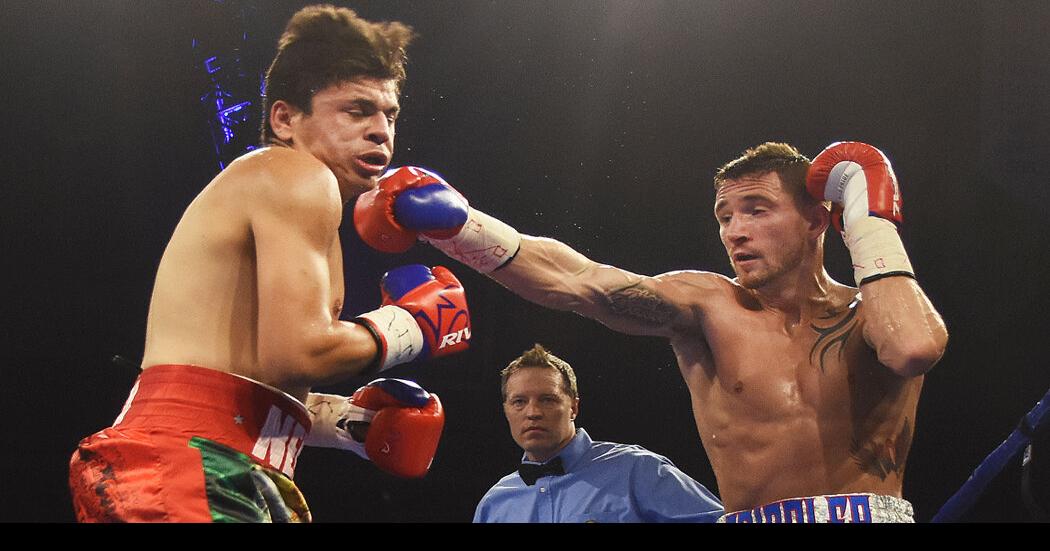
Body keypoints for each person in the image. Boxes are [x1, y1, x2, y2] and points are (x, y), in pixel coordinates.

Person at [355, 141, 949, 523]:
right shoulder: (709, 305)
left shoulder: (873, 312)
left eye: (757, 209)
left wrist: (868, 221)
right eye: (725, 216)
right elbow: (581, 282)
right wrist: (461, 228)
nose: (735, 231)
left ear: (819, 220)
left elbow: (913, 347)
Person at [68, 5, 471, 523]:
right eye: (357, 110)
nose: (380, 131)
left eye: (389, 115)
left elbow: (242, 377)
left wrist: (349, 423)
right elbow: (297, 352)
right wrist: (412, 325)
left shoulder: (286, 198)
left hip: (199, 463)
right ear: (284, 119)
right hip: (191, 464)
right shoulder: (296, 175)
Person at [473, 344, 723, 523]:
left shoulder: (636, 470)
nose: (533, 412)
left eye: (547, 399)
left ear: (573, 407)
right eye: (519, 402)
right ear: (506, 411)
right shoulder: (494, 504)